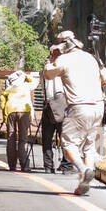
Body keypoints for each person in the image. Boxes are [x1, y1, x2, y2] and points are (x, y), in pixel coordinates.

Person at [42, 30, 106, 195]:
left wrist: (51, 60)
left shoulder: (63, 60)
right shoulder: (91, 58)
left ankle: (82, 169)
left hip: (79, 107)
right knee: (88, 145)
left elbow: (47, 75)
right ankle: (83, 183)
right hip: (98, 107)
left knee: (68, 144)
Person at [0, 69, 37, 172]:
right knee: (23, 139)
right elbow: (35, 82)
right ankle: (25, 165)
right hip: (24, 111)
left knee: (10, 138)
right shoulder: (26, 86)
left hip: (11, 111)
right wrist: (25, 75)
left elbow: (2, 102)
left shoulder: (8, 88)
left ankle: (12, 165)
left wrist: (4, 115)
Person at [40, 41, 68, 174]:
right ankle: (66, 165)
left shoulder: (47, 67)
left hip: (49, 104)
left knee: (47, 137)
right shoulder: (64, 67)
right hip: (63, 105)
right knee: (65, 137)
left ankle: (48, 166)